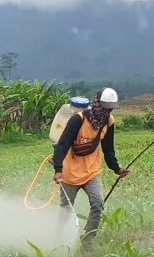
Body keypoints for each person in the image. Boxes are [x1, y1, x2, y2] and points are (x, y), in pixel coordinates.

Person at [52, 88, 130, 247]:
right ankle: (58, 240)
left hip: (92, 172)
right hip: (69, 173)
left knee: (98, 203)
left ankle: (88, 240)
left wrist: (117, 168)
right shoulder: (78, 120)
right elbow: (63, 144)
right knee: (66, 209)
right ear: (97, 105)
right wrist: (58, 169)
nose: (107, 111)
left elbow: (108, 148)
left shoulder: (109, 121)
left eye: (110, 108)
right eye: (105, 108)